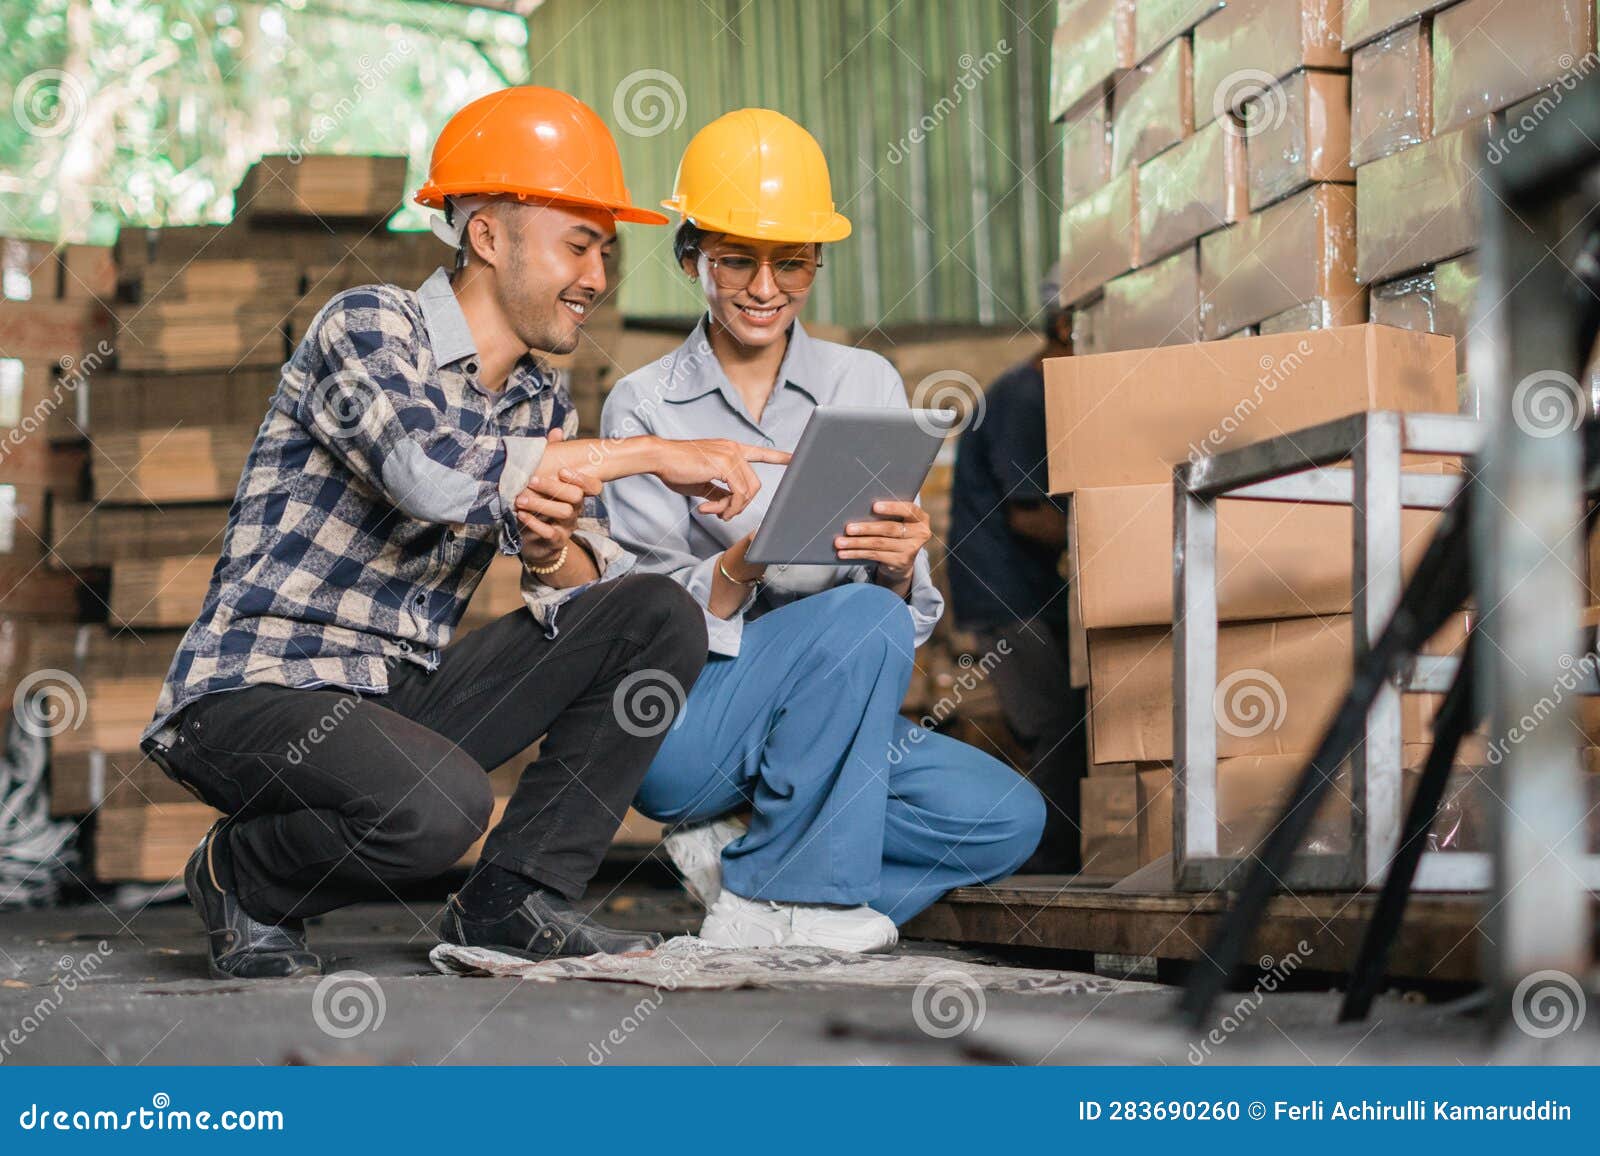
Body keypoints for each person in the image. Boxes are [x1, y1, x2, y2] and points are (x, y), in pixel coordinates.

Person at [139, 87, 789, 980]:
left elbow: (583, 582)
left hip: (394, 695)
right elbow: (424, 472)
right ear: (487, 236)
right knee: (439, 807)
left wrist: (555, 550)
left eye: (605, 251)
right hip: (256, 692)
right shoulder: (369, 325)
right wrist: (646, 454)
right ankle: (237, 875)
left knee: (651, 615)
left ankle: (513, 900)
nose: (597, 276)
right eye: (577, 245)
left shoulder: (539, 398)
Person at [601, 109, 1044, 953]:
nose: (765, 288)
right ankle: (790, 885)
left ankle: (749, 874)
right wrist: (739, 567)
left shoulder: (862, 381)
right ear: (692, 257)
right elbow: (631, 616)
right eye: (737, 258)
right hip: (692, 721)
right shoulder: (645, 405)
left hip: (829, 716)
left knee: (1004, 818)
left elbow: (898, 621)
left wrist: (900, 567)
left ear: (815, 263)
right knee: (861, 617)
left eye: (792, 262)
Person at [946, 262, 1087, 874]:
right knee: (1054, 724)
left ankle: (1052, 856)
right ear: (1064, 326)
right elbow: (1029, 515)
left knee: (1060, 722)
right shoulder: (1026, 399)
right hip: (1007, 595)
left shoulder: (1047, 395)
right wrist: (1117, 541)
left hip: (1032, 592)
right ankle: (1048, 866)